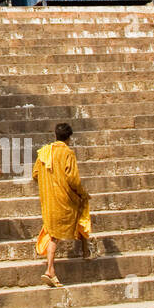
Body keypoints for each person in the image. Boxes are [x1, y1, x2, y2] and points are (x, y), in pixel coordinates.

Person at [33, 122, 92, 288]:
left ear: (55, 135)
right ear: (69, 138)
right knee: (58, 232)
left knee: (53, 232)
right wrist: (82, 193)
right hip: (64, 200)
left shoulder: (44, 152)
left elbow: (35, 174)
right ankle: (50, 270)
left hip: (49, 200)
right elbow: (73, 179)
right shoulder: (67, 152)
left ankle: (86, 251)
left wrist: (49, 181)